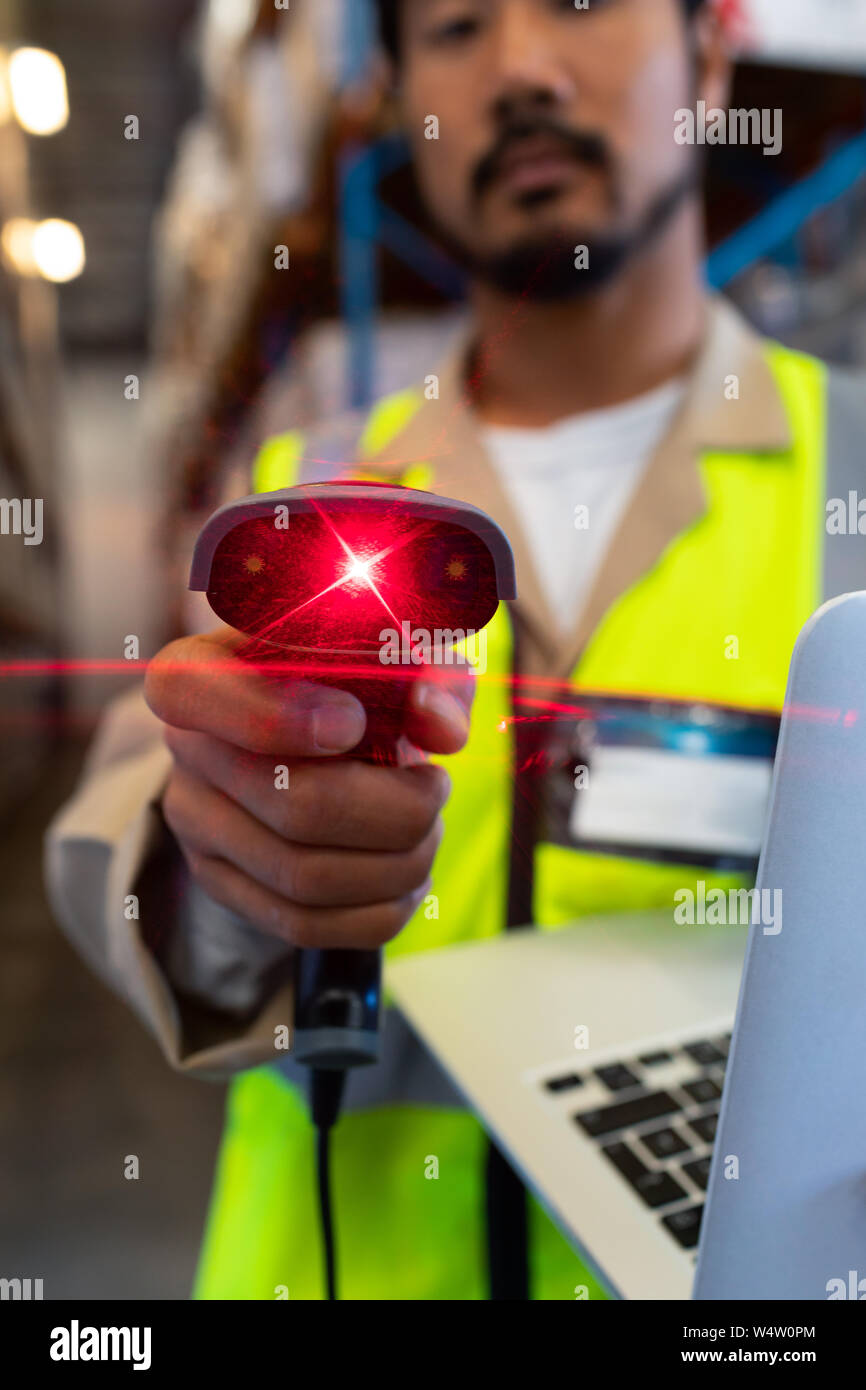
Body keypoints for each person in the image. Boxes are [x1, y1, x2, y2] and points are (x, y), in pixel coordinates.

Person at [47, 0, 864, 1300]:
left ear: (709, 59)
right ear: (401, 105)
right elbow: (119, 831)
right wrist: (222, 872)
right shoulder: (302, 493)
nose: (520, 69)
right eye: (456, 26)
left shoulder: (854, 481)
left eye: (581, 4)